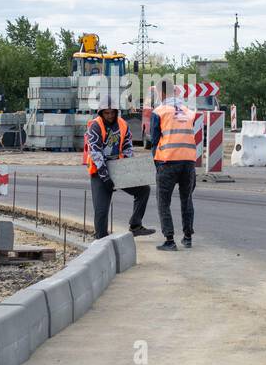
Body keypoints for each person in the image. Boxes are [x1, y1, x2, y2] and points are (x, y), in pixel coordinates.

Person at [84, 107, 154, 239]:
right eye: (106, 113)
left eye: (112, 113)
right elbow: (95, 153)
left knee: (143, 190)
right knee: (101, 210)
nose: (110, 116)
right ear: (101, 113)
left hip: (118, 168)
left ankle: (135, 225)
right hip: (100, 171)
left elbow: (127, 147)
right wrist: (105, 177)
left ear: (116, 112)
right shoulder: (95, 126)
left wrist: (129, 168)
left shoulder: (122, 124)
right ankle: (100, 238)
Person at [149, 80, 199, 251]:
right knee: (187, 199)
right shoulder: (188, 112)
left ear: (161, 93)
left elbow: (154, 141)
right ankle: (188, 237)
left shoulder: (159, 111)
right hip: (189, 161)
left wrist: (157, 163)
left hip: (168, 160)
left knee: (163, 201)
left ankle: (169, 240)